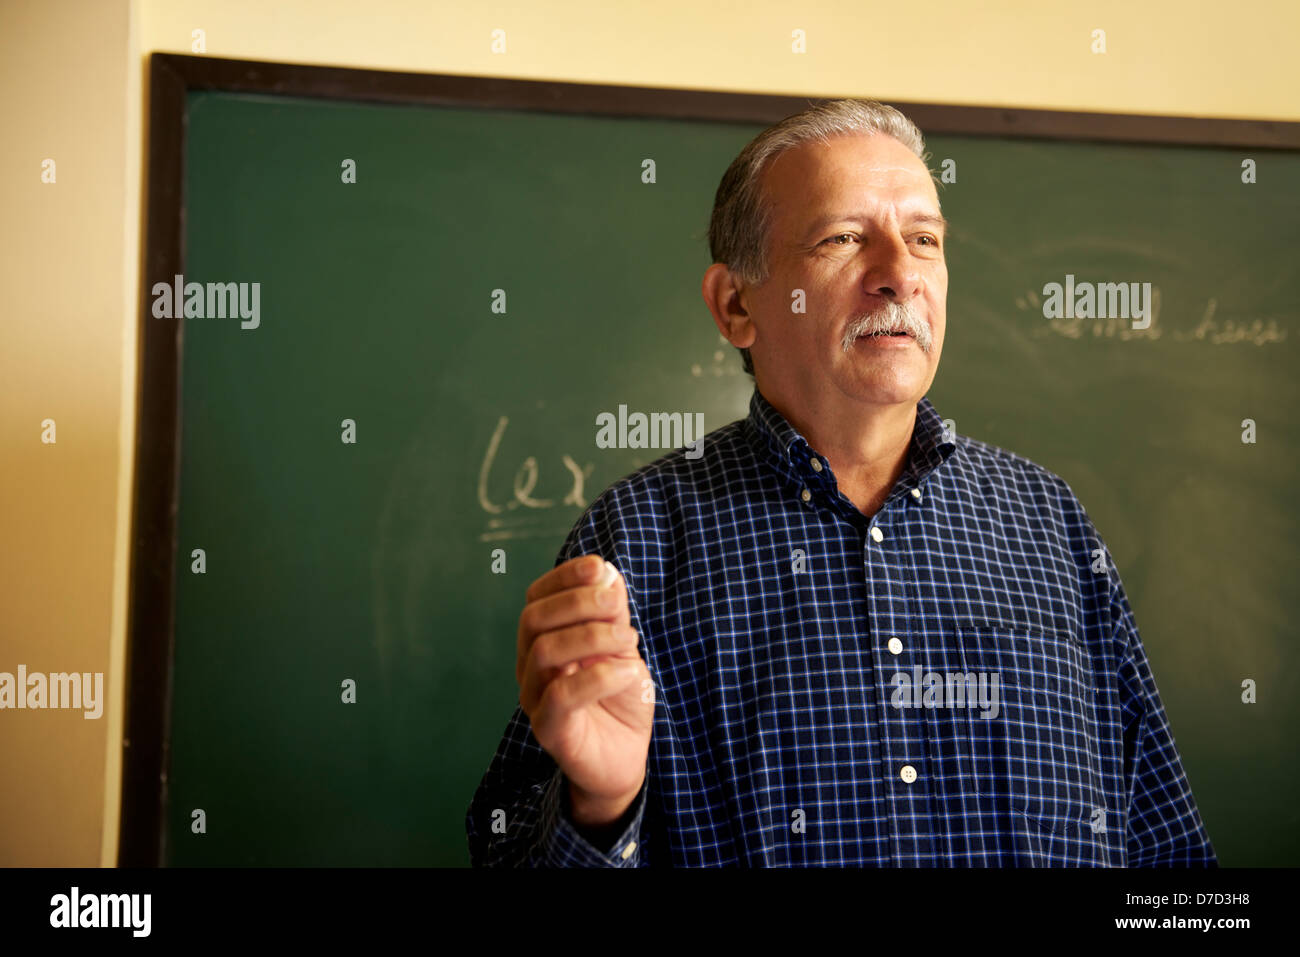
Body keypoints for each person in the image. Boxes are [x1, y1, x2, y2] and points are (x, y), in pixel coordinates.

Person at [465, 98, 1216, 866]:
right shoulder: (637, 539)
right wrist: (601, 806)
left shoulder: (1049, 523)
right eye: (844, 238)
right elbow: (504, 850)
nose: (899, 276)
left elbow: (1170, 855)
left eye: (924, 239)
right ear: (734, 304)